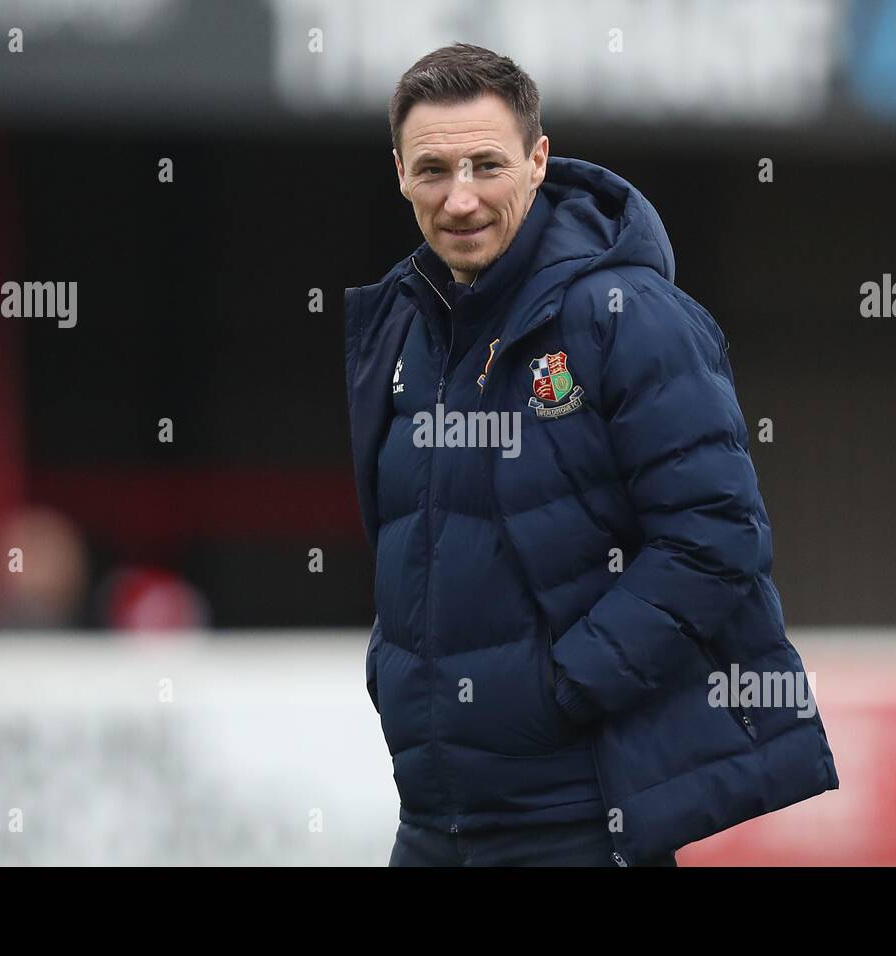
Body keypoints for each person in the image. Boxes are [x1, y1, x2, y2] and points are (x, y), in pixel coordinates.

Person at [344, 43, 838, 867]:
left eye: (486, 165)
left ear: (538, 162)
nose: (459, 199)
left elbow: (717, 540)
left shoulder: (628, 316)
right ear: (398, 172)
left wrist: (564, 688)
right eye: (433, 170)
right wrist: (397, 676)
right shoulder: (400, 324)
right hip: (434, 819)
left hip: (576, 816)